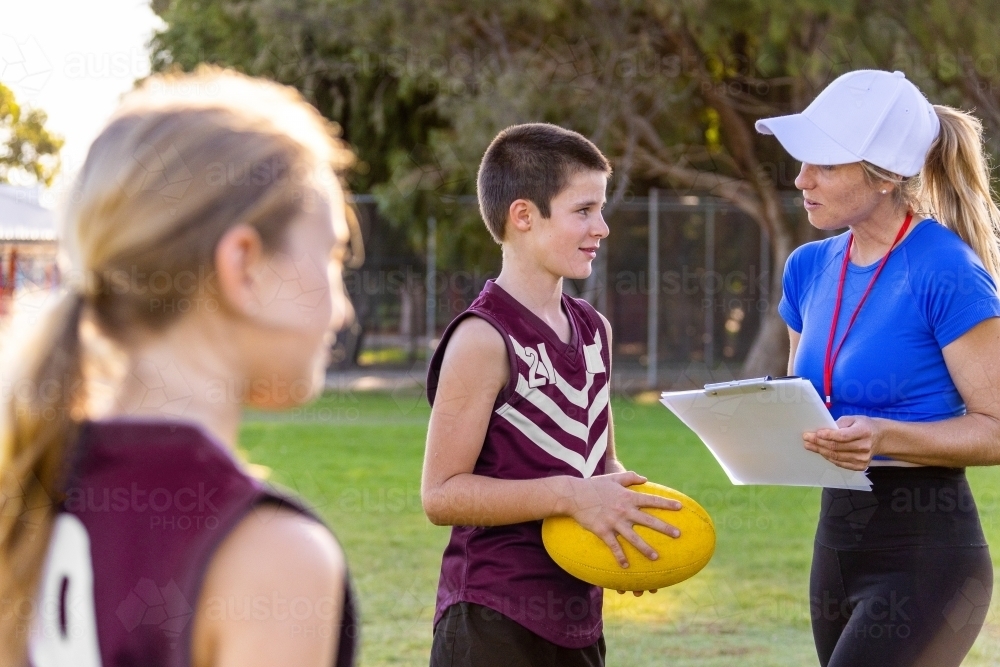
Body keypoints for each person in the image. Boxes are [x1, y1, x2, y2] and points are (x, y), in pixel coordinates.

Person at [0, 66, 360, 667]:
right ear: (244, 264)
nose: (341, 309)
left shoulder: (26, 488)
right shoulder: (272, 557)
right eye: (330, 256)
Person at [756, 69, 1000, 666]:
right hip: (835, 547)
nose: (801, 179)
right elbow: (807, 399)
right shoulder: (808, 267)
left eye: (824, 165)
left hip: (928, 557)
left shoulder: (946, 269)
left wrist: (884, 436)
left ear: (885, 177)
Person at [421, 123, 681, 667]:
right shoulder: (481, 338)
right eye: (583, 211)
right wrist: (569, 495)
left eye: (600, 209)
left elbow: (601, 463)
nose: (602, 228)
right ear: (523, 216)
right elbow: (442, 495)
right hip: (492, 618)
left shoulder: (595, 330)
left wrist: (624, 537)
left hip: (579, 613)